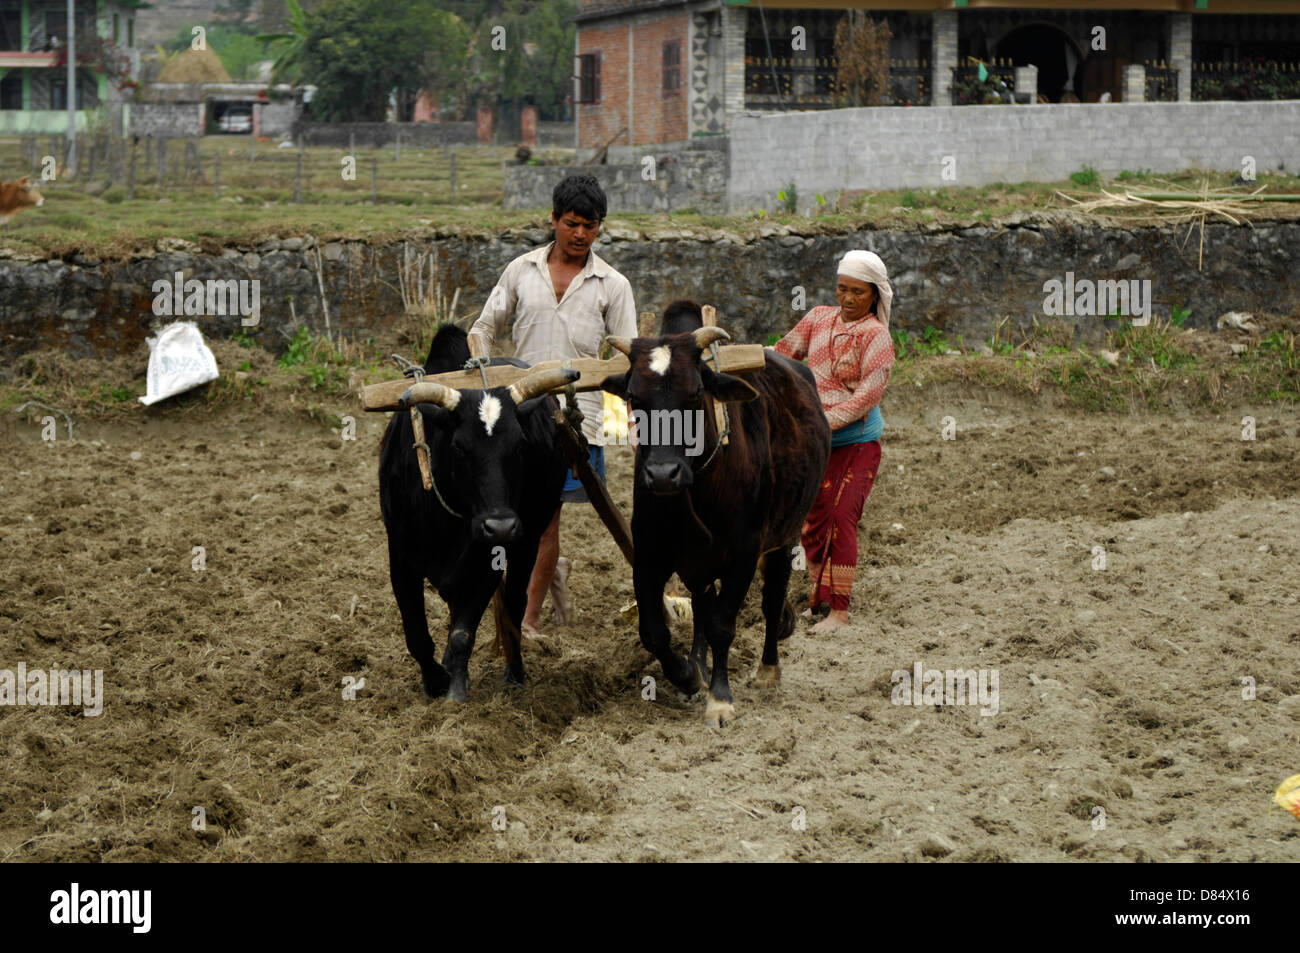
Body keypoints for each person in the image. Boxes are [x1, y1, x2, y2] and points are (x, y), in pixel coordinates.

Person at [469, 174, 637, 638]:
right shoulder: (520, 271)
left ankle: (528, 618)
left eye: (591, 226)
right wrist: (481, 362)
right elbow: (484, 326)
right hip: (517, 415)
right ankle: (549, 573)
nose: (581, 234)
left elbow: (628, 357)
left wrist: (635, 424)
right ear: (554, 220)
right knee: (509, 516)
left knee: (545, 520)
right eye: (572, 223)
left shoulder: (612, 284)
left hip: (576, 418)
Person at [772, 250, 895, 634]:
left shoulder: (877, 338)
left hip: (856, 445)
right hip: (814, 446)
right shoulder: (818, 319)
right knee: (813, 521)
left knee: (841, 519)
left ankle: (839, 611)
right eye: (842, 289)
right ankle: (817, 599)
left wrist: (816, 422)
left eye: (857, 291)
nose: (848, 298)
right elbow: (782, 353)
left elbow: (866, 399)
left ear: (874, 294)